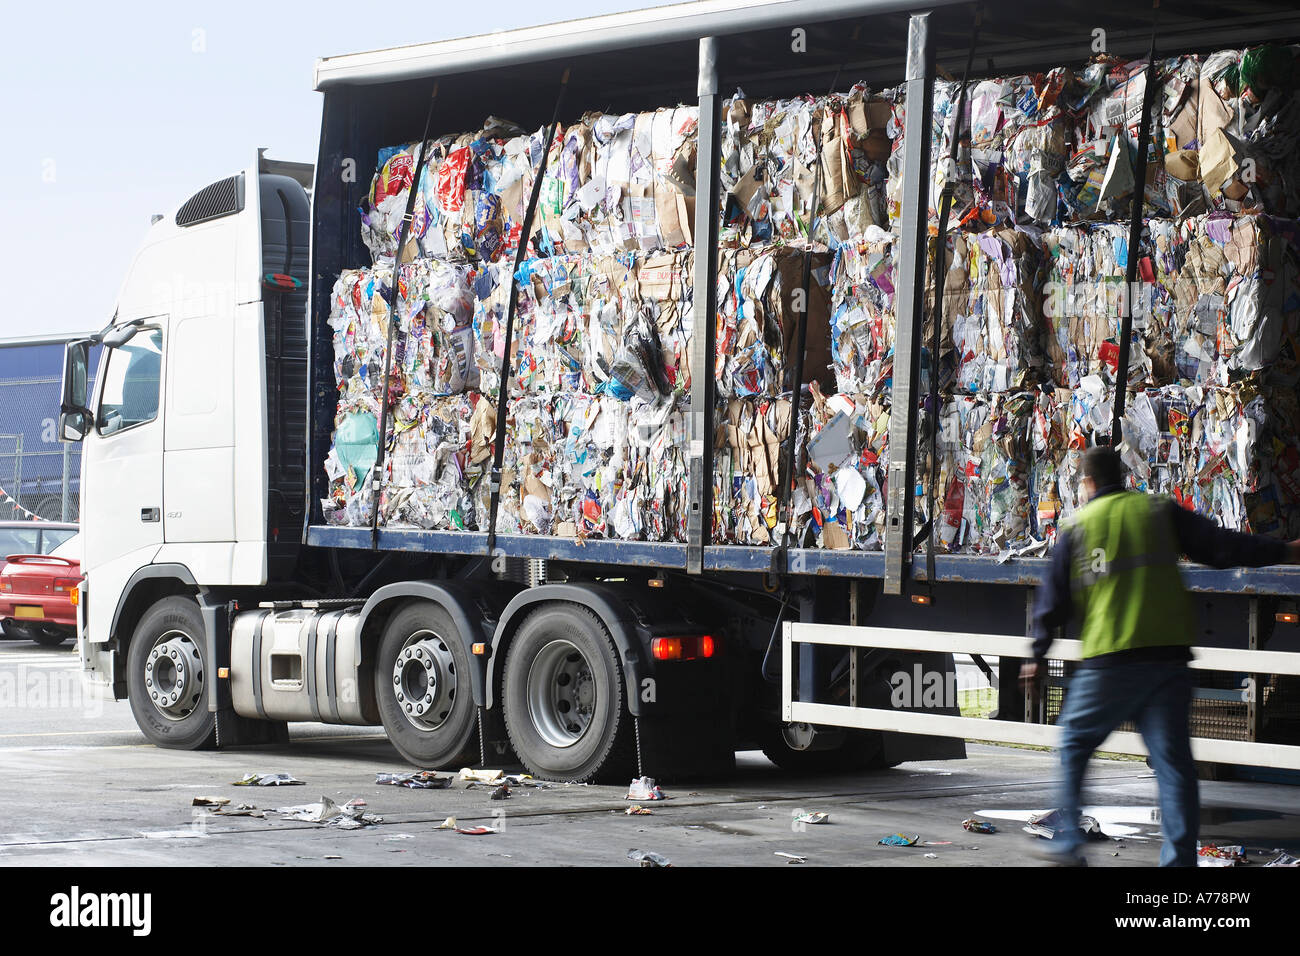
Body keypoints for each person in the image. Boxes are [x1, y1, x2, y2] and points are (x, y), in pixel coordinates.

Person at [1022, 445, 1300, 866]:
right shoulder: (1157, 512)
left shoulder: (1079, 527)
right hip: (1168, 664)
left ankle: (1067, 846)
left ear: (1088, 483)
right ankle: (1178, 862)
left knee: (1075, 744)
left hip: (1111, 662)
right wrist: (1286, 551)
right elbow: (1221, 547)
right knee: (1173, 768)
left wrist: (1037, 654)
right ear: (1123, 477)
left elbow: (1053, 602)